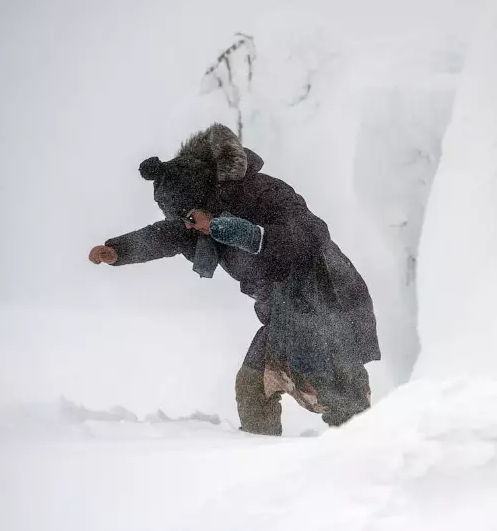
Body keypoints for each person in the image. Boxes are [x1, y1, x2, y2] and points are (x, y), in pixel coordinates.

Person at [88, 123, 380, 435]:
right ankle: (258, 459)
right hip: (281, 315)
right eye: (180, 219)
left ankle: (368, 459)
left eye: (189, 218)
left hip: (324, 303)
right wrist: (118, 251)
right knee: (252, 385)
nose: (187, 227)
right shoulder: (196, 222)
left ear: (206, 197)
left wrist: (232, 229)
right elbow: (165, 237)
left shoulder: (262, 192)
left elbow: (311, 234)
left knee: (340, 396)